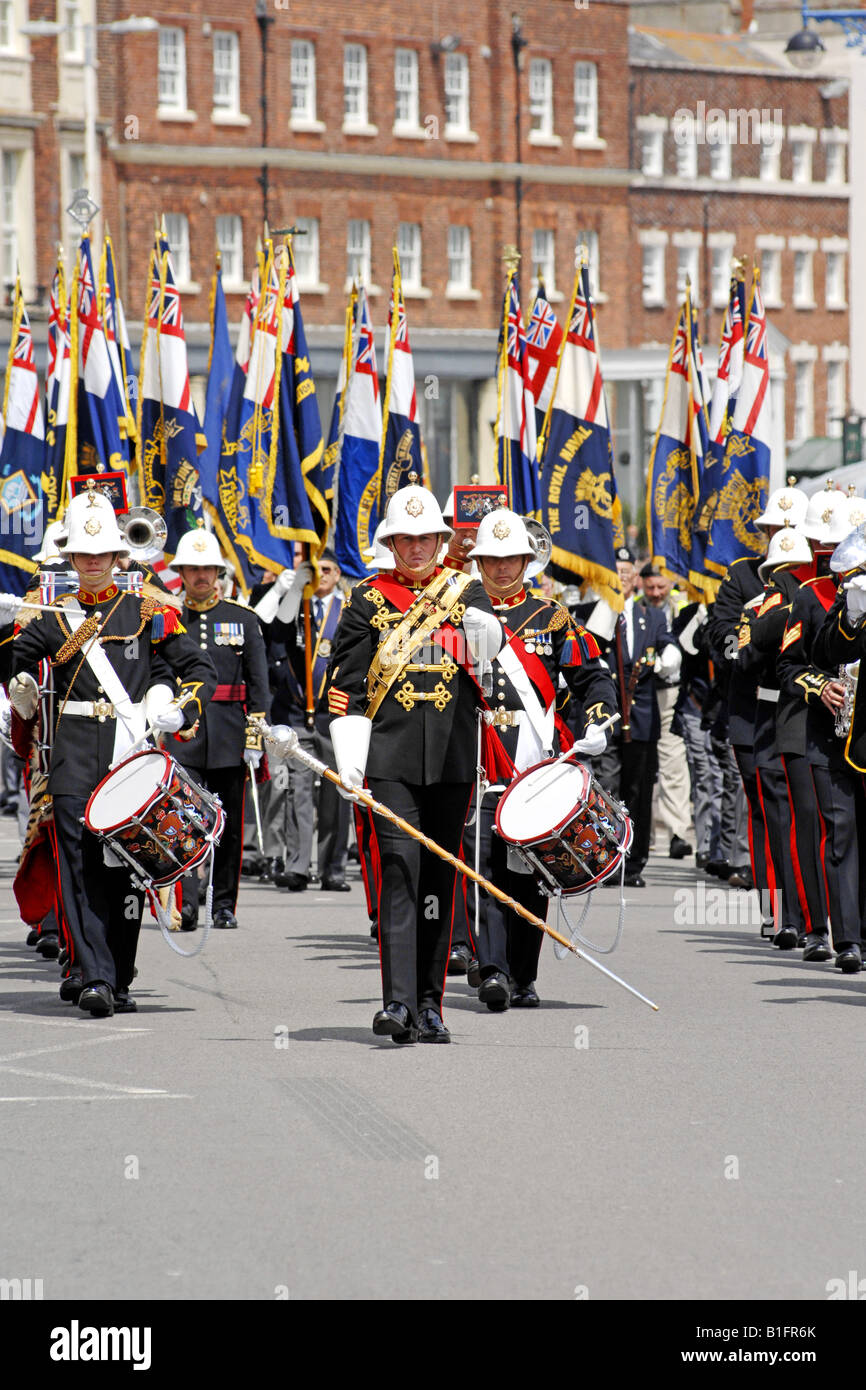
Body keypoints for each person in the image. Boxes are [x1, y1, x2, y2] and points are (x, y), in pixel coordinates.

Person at [7, 491, 215, 1016]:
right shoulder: (53, 617)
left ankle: (119, 973)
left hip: (129, 755)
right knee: (78, 867)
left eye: (102, 552)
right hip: (73, 755)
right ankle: (95, 975)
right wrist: (21, 678)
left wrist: (179, 708)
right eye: (83, 553)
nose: (94, 562)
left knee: (124, 868)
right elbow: (10, 666)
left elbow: (197, 669)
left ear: (119, 555)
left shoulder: (147, 611)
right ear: (71, 559)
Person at [325, 481, 503, 1045]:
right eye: (407, 538)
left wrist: (484, 633)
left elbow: (490, 655)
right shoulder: (366, 599)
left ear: (440, 539)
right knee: (399, 874)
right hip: (392, 761)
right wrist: (350, 754)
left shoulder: (465, 590)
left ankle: (432, 1006)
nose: (418, 548)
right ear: (393, 542)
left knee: (440, 883)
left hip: (451, 760)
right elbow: (344, 684)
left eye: (427, 538)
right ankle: (398, 1004)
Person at [465, 509, 617, 1010]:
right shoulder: (458, 613)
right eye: (493, 560)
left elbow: (591, 676)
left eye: (511, 560)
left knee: (529, 871)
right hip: (479, 755)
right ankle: (493, 970)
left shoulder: (552, 616)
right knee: (484, 868)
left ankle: (523, 974)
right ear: (479, 561)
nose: (502, 569)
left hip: (535, 760)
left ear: (527, 561)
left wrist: (598, 718)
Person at [170, 525, 271, 931]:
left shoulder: (242, 619)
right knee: (186, 820)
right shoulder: (170, 616)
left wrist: (255, 739)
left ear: (218, 573)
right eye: (193, 569)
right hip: (185, 735)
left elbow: (260, 684)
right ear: (181, 572)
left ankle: (224, 903)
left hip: (230, 734)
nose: (200, 576)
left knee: (227, 825)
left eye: (207, 568)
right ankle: (188, 901)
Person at [254, 549, 353, 893]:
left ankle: (333, 868)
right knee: (297, 792)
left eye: (326, 569)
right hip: (297, 711)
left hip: (336, 713)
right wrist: (293, 590)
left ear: (337, 573)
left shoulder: (349, 607)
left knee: (336, 795)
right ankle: (297, 865)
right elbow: (276, 632)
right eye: (314, 569)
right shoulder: (299, 606)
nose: (320, 575)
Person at [593, 546, 680, 886]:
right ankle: (607, 859)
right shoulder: (597, 611)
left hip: (642, 718)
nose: (623, 578)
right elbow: (589, 647)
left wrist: (667, 658)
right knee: (607, 788)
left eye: (627, 572)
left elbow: (668, 642)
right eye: (616, 572)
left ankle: (635, 861)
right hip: (607, 717)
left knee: (639, 790)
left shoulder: (652, 615)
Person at [639, 562, 693, 859]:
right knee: (642, 766)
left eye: (662, 587)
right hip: (641, 693)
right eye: (651, 588)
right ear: (642, 584)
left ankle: (677, 833)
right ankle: (641, 834)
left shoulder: (683, 607)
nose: (657, 593)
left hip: (670, 693)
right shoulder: (634, 608)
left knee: (673, 763)